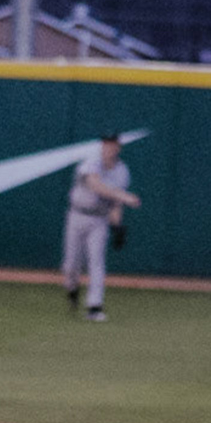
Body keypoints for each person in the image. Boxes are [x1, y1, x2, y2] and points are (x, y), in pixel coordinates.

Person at [62, 133, 140, 322]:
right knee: (71, 263)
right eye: (106, 145)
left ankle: (94, 306)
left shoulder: (121, 170)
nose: (109, 148)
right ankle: (72, 289)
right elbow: (95, 185)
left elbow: (114, 203)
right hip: (77, 215)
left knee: (96, 261)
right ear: (101, 147)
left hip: (99, 219)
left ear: (118, 148)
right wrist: (126, 197)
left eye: (113, 145)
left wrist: (117, 226)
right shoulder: (91, 162)